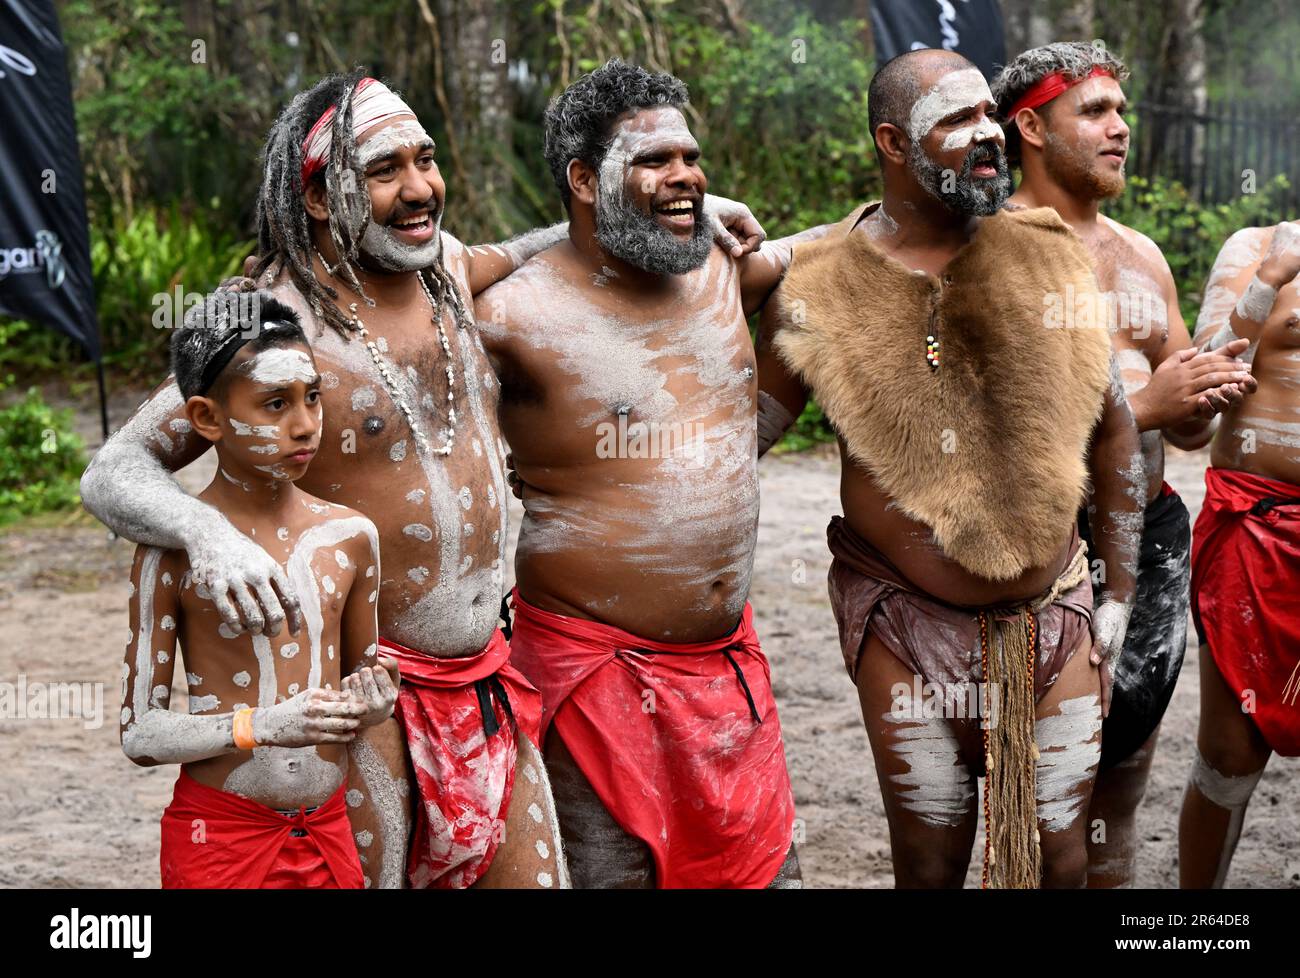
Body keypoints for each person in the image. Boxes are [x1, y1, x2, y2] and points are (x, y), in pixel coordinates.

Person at [87, 72, 570, 889]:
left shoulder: (446, 268)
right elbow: (113, 472)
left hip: (486, 683)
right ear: (317, 199)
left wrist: (677, 217)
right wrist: (205, 533)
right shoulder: (269, 321)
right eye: (386, 172)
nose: (420, 189)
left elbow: (527, 250)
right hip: (359, 701)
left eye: (426, 160)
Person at [756, 49, 1145, 888]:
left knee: (1059, 855)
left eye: (986, 116)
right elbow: (739, 442)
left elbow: (1114, 435)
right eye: (955, 121)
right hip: (903, 624)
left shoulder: (1049, 255)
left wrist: (1116, 598)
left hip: (1056, 617)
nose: (986, 137)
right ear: (893, 142)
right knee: (930, 854)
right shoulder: (816, 285)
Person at [477, 59, 808, 888]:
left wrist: (744, 437)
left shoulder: (723, 268)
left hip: (728, 672)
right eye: (655, 162)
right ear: (584, 180)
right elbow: (402, 316)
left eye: (691, 159)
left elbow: (849, 264)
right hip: (593, 681)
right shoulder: (510, 314)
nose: (687, 176)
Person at [992, 40, 1257, 887]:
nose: (1120, 129)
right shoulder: (983, 252)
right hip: (1034, 550)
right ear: (1029, 126)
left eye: (1123, 112)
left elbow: (1182, 433)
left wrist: (1207, 389)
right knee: (1033, 795)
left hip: (1148, 543)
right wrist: (1142, 407)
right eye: (1095, 112)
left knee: (1121, 783)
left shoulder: (1141, 254)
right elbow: (980, 435)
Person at [122, 290, 396, 888]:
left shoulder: (352, 537)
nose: (305, 425)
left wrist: (375, 702)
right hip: (220, 839)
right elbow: (139, 733)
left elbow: (363, 681)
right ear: (206, 418)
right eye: (276, 404)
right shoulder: (171, 555)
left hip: (326, 832)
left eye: (313, 398)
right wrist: (259, 726)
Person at [1180, 217, 1300, 887]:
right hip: (1255, 531)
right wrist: (1269, 286)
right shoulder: (1259, 249)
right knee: (1228, 757)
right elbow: (1193, 404)